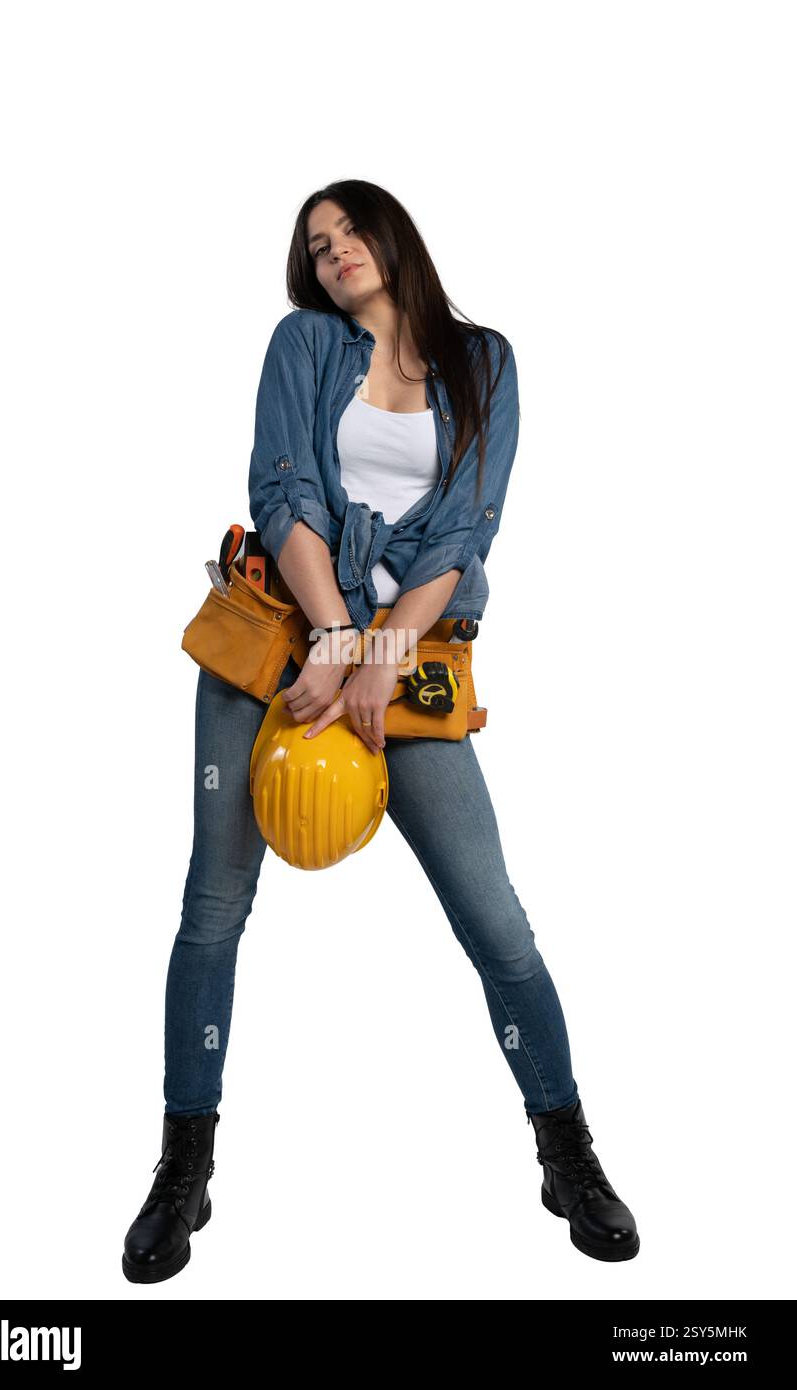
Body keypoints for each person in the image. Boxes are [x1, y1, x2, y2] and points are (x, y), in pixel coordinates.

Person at [122, 180, 639, 1283]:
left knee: (497, 921)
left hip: (401, 661)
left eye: (352, 228)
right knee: (211, 911)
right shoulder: (302, 345)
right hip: (282, 647)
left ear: (394, 236)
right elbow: (286, 489)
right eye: (317, 243)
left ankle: (568, 1150)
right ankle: (183, 1167)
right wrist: (334, 636)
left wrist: (382, 649)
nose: (336, 250)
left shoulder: (483, 362)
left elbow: (468, 523)